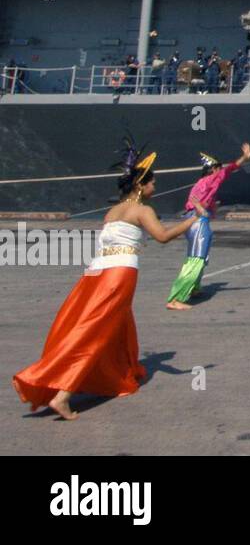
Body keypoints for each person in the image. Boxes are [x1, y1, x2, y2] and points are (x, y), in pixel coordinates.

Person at [13, 141, 203, 419]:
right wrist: (193, 220)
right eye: (152, 183)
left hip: (96, 272)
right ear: (140, 185)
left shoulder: (112, 212)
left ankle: (117, 373)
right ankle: (64, 394)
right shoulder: (143, 211)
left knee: (110, 324)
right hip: (120, 274)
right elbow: (162, 237)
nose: (155, 188)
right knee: (98, 331)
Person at [165, 143, 250, 309]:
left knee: (199, 257)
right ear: (213, 169)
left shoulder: (206, 183)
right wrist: (245, 158)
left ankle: (193, 288)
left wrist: (208, 208)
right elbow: (194, 198)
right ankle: (176, 298)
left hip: (195, 221)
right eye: (218, 169)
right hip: (197, 222)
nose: (221, 172)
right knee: (196, 259)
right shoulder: (208, 180)